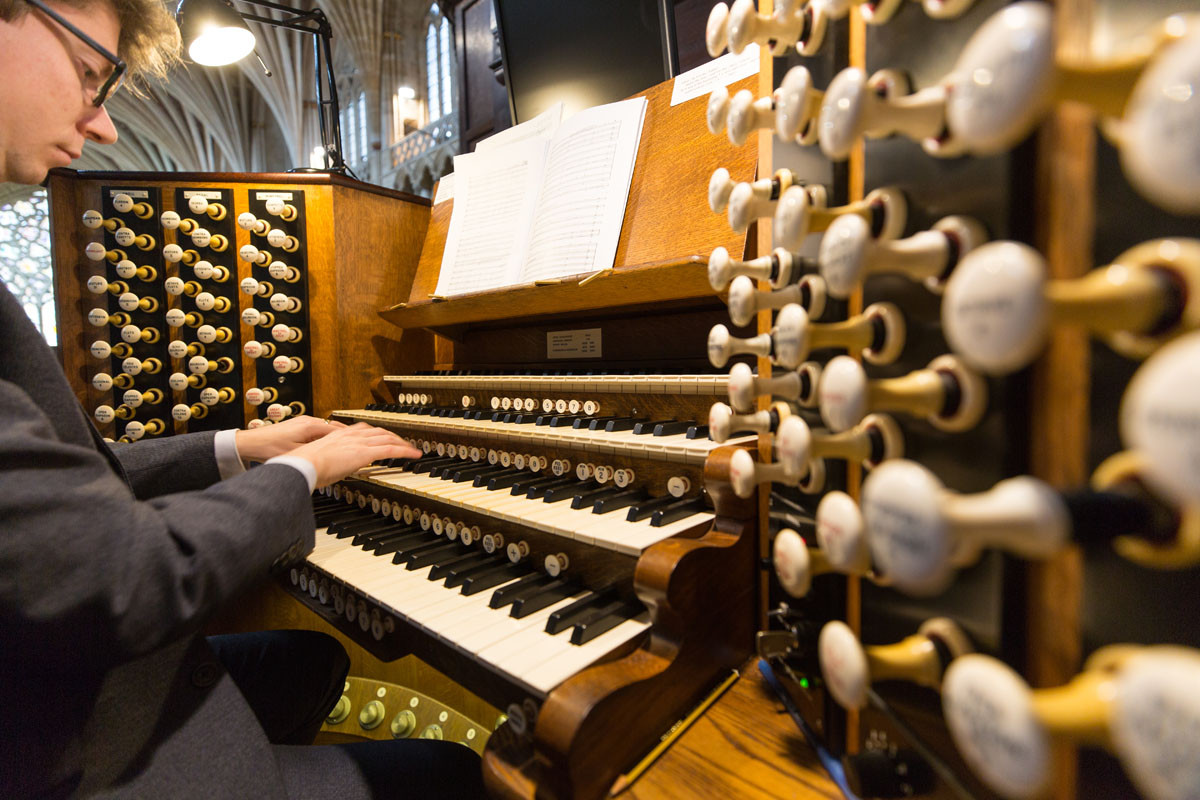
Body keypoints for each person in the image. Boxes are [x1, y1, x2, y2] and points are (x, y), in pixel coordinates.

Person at [0, 0, 486, 797]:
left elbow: (71, 483)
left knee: (316, 658)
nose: (105, 125)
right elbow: (128, 573)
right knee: (448, 773)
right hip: (66, 748)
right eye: (92, 74)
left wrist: (241, 446)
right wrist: (303, 475)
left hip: (54, 679)